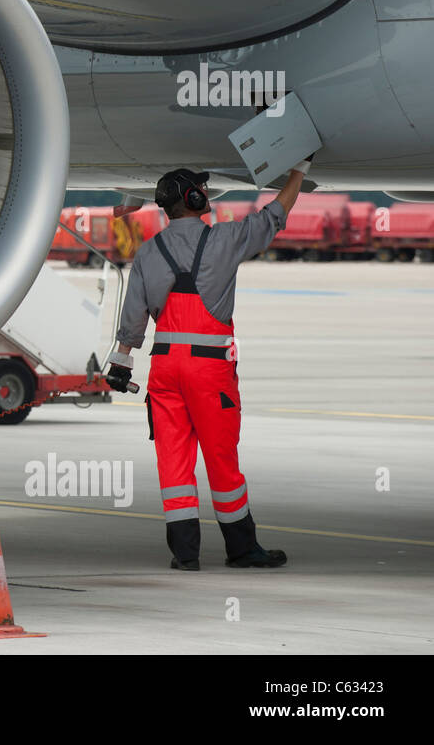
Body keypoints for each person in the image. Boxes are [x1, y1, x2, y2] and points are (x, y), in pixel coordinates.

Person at [105, 159, 311, 570]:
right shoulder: (225, 240)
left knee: (174, 461)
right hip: (208, 372)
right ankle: (242, 548)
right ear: (195, 198)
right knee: (221, 459)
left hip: (164, 371)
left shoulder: (148, 252)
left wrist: (122, 362)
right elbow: (273, 217)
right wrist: (297, 174)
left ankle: (185, 554)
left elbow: (132, 317)